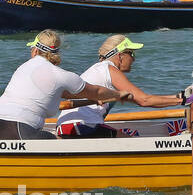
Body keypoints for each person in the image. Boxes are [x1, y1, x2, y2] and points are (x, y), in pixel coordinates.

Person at [0, 31, 132, 139]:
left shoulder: (22, 68)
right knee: (58, 142)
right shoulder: (61, 75)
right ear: (57, 54)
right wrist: (119, 94)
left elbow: (69, 96)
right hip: (20, 129)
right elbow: (96, 91)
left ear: (35, 51)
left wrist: (93, 100)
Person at [57, 35, 193, 137]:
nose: (134, 58)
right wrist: (182, 100)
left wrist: (178, 96)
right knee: (135, 144)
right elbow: (144, 100)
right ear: (120, 56)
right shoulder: (109, 69)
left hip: (68, 127)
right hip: (81, 127)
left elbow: (138, 99)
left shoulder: (98, 69)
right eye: (131, 53)